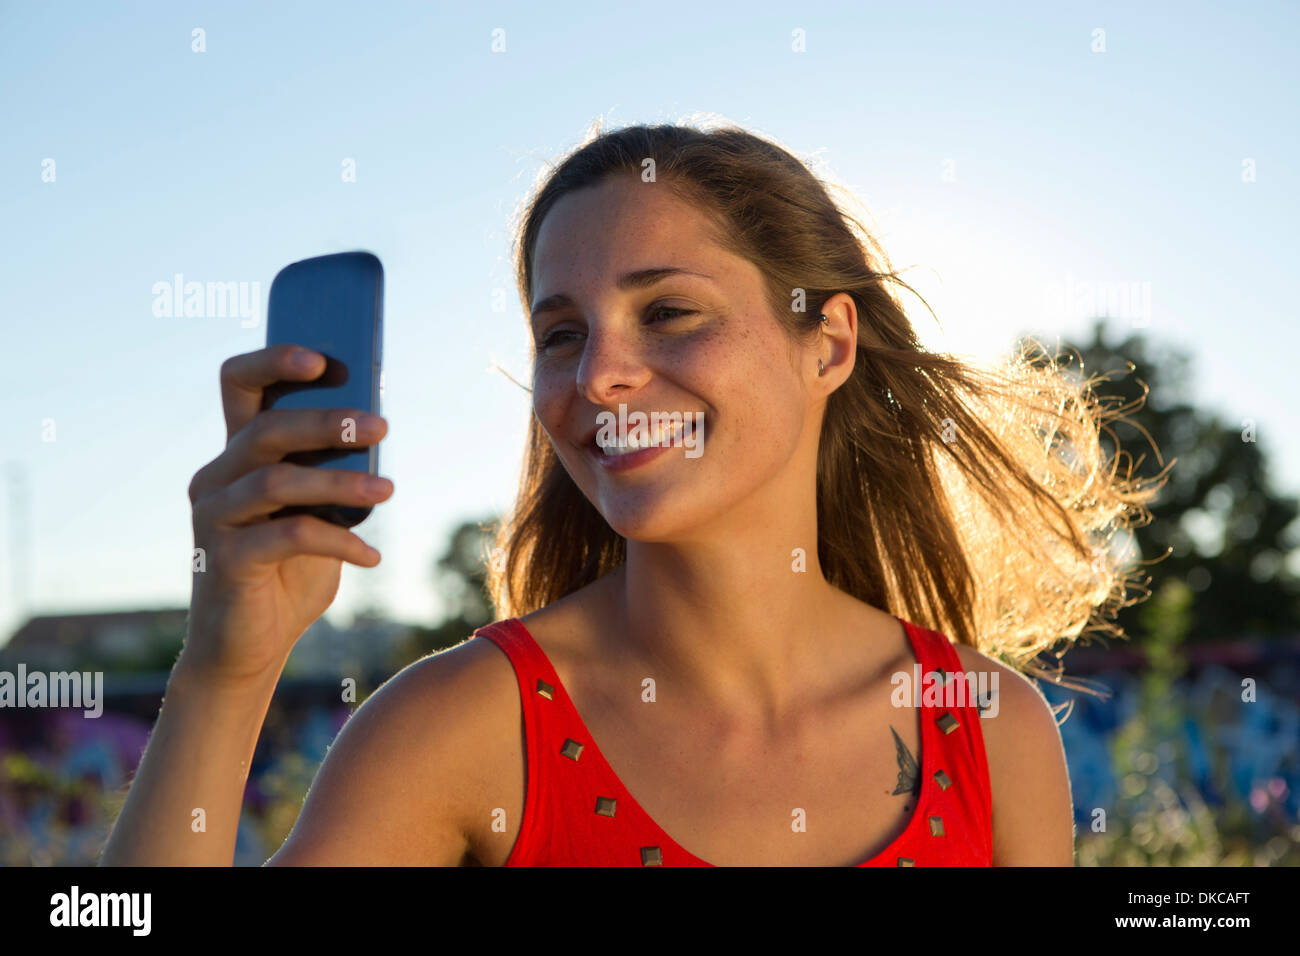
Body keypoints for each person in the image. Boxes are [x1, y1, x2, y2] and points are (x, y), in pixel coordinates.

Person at [100, 120, 1160, 867]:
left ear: (827, 343)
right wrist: (224, 672)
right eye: (561, 333)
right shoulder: (465, 725)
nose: (598, 374)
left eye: (668, 313)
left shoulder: (988, 727)